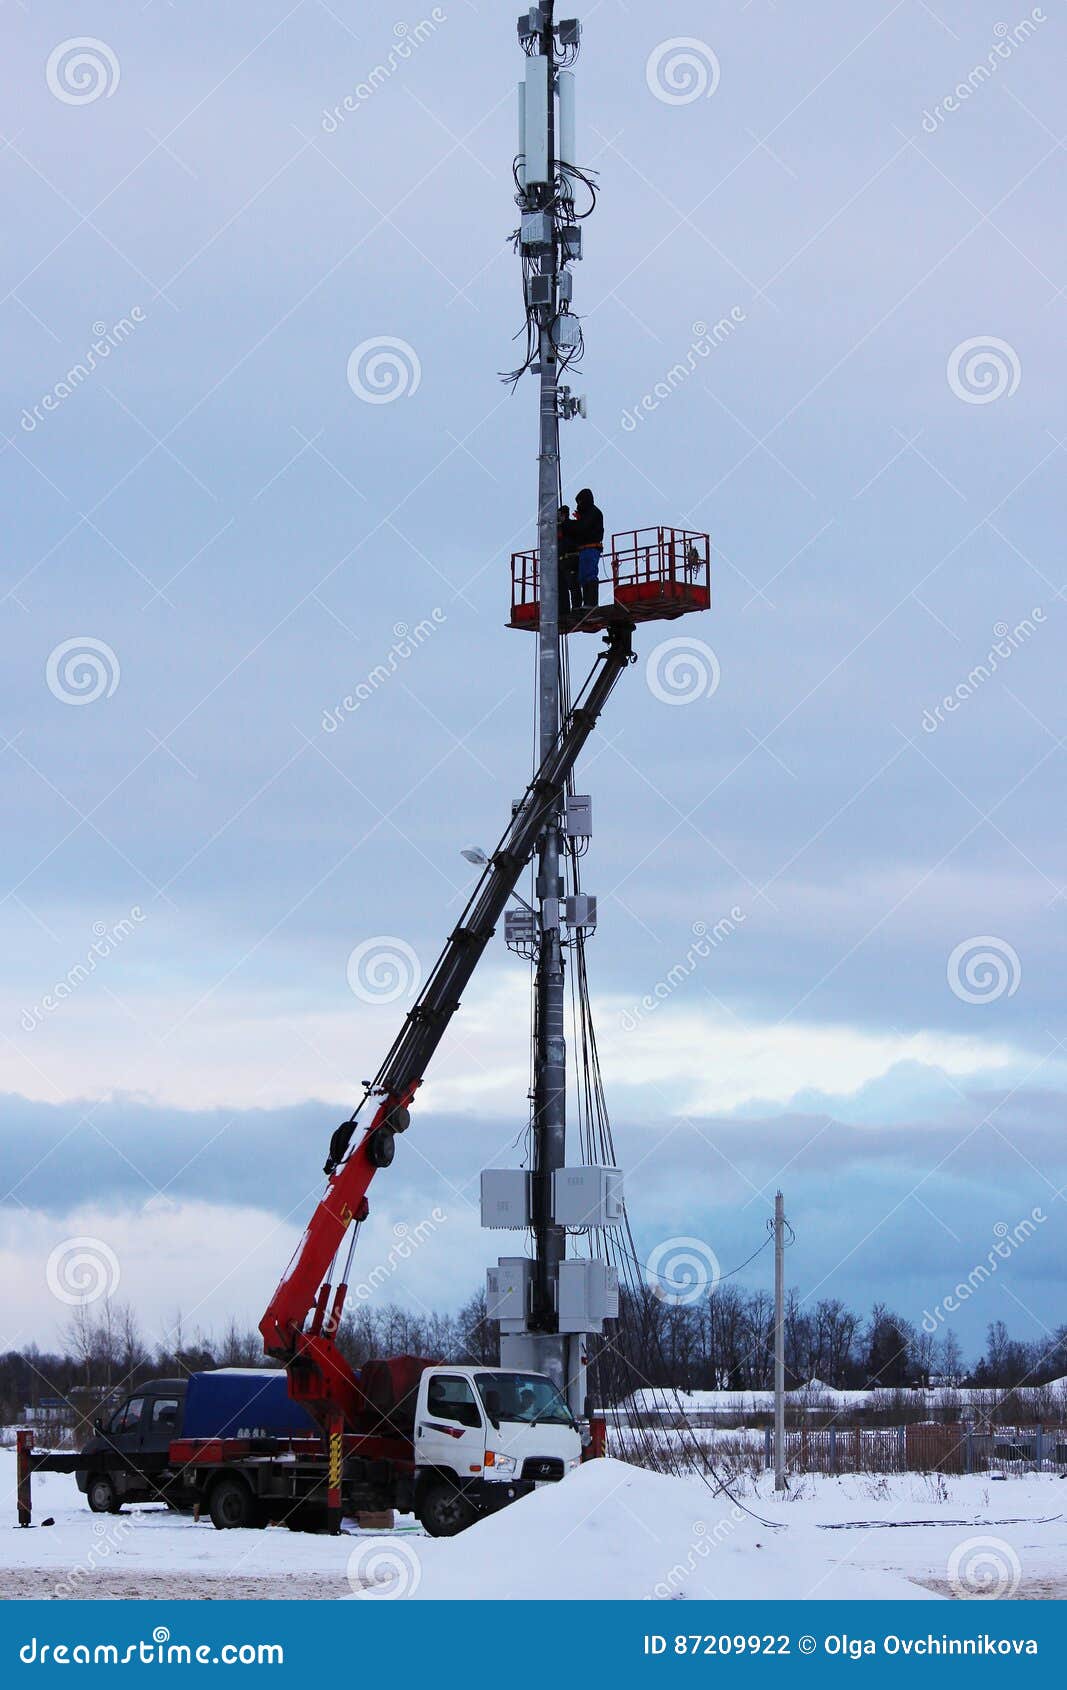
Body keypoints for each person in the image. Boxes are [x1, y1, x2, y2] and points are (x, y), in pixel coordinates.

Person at [571, 487, 604, 608]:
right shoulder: (589, 513)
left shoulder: (593, 512)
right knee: (583, 576)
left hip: (591, 548)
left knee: (589, 574)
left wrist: (570, 524)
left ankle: (592, 603)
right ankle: (587, 603)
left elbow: (582, 528)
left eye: (579, 502)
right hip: (585, 549)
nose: (578, 505)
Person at [556, 504, 579, 616]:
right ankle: (564, 610)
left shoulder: (570, 525)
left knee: (572, 585)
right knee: (563, 586)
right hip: (562, 561)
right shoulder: (560, 528)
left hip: (570, 559)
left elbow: (570, 542)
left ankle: (576, 608)